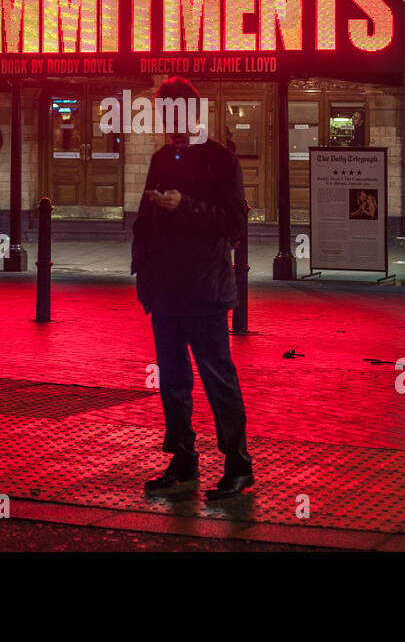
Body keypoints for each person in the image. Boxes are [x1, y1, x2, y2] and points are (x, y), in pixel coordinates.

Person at [132, 76, 253, 500]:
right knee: (173, 380)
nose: (167, 123)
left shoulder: (221, 160)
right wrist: (143, 275)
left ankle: (238, 464)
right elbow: (145, 222)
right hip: (165, 291)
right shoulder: (163, 157)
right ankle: (183, 458)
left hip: (204, 290)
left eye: (172, 113)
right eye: (162, 114)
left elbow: (233, 222)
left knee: (217, 377)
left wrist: (186, 205)